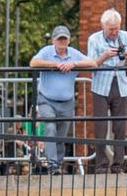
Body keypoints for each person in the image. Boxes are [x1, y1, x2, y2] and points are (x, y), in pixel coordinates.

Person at [30, 26, 89, 173]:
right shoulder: (46, 51)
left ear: (69, 40)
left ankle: (58, 164)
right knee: (50, 127)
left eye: (65, 39)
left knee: (61, 136)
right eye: (59, 39)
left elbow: (93, 63)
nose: (62, 42)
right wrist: (55, 65)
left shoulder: (74, 54)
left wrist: (73, 64)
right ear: (53, 41)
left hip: (67, 102)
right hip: (46, 99)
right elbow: (33, 63)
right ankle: (52, 165)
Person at [86, 9, 127, 173]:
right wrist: (105, 56)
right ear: (103, 27)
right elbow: (91, 64)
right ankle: (101, 166)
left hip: (121, 86)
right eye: (111, 29)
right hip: (101, 85)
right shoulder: (94, 39)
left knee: (120, 128)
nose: (115, 32)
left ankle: (118, 165)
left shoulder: (126, 37)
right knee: (100, 128)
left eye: (117, 28)